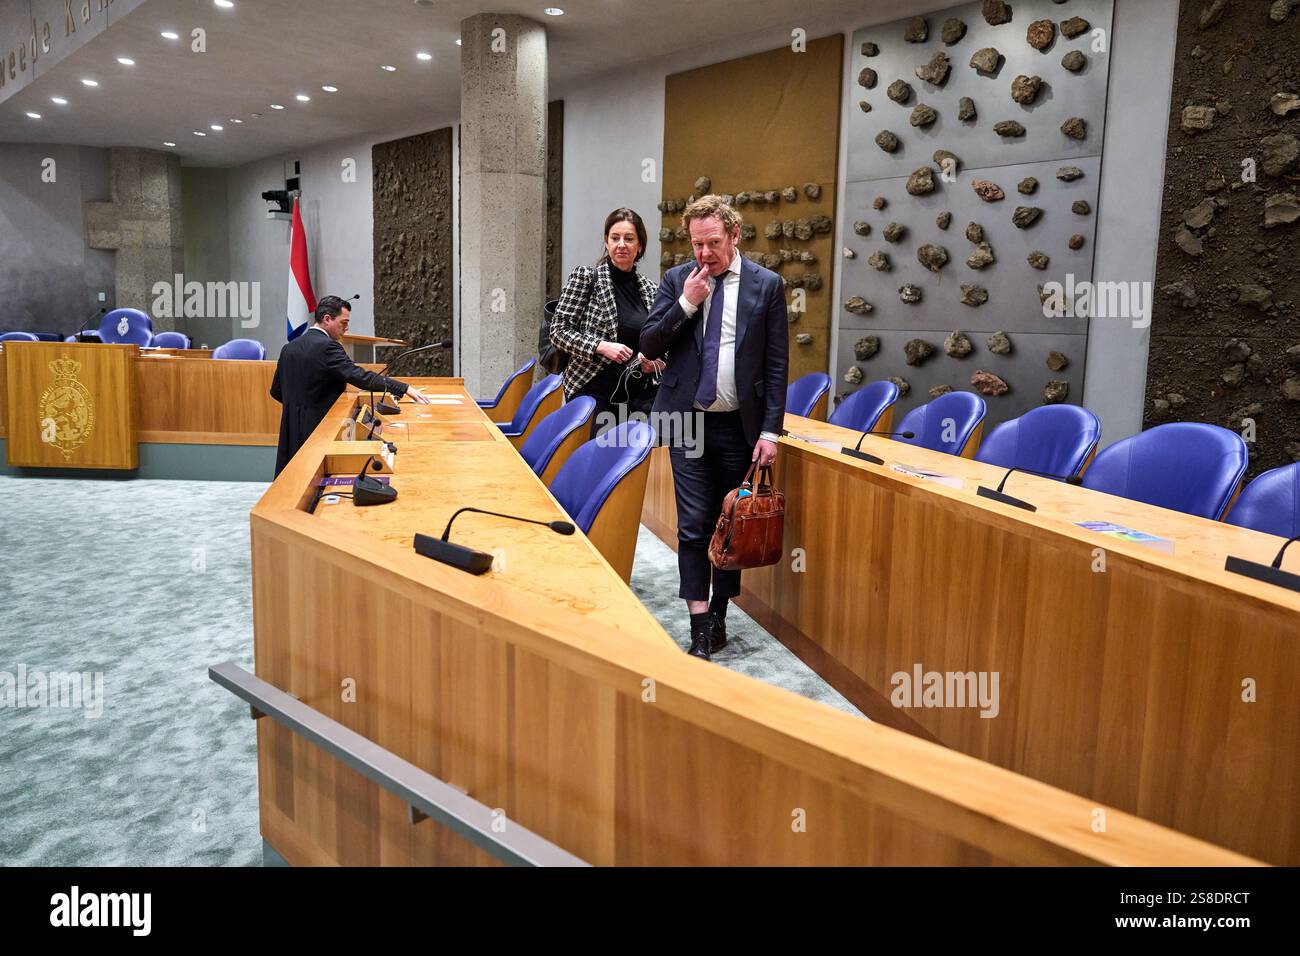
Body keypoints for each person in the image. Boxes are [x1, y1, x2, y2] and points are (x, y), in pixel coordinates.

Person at [640, 195, 788, 661]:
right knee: (694, 524)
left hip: (739, 426)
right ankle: (699, 626)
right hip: (687, 423)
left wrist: (770, 432)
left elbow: (777, 365)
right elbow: (648, 343)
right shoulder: (678, 280)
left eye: (714, 243)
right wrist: (687, 303)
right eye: (697, 243)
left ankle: (721, 612)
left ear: (735, 236)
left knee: (730, 524)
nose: (705, 253)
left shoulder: (767, 286)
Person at [270, 294, 429, 476]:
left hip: (290, 428)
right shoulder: (328, 346)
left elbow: (276, 390)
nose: (347, 328)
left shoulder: (289, 348)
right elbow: (360, 377)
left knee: (292, 480)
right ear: (327, 319)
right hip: (318, 428)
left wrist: (298, 407)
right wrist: (404, 388)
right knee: (313, 479)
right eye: (343, 323)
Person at [549, 208, 664, 438]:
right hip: (592, 390)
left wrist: (658, 361)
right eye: (615, 238)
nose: (621, 244)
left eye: (629, 239)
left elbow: (658, 339)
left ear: (640, 245)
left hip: (636, 395)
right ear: (606, 241)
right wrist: (600, 346)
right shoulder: (586, 277)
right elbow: (558, 331)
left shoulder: (651, 289)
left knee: (627, 467)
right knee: (597, 464)